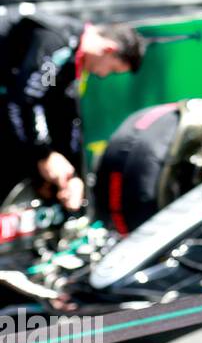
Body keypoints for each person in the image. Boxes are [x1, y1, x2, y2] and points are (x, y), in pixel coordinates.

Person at [0, 14, 145, 208]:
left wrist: (72, 175)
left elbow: (64, 112)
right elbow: (25, 101)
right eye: (111, 69)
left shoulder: (71, 56)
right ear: (109, 49)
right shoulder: (57, 42)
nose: (102, 75)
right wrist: (44, 155)